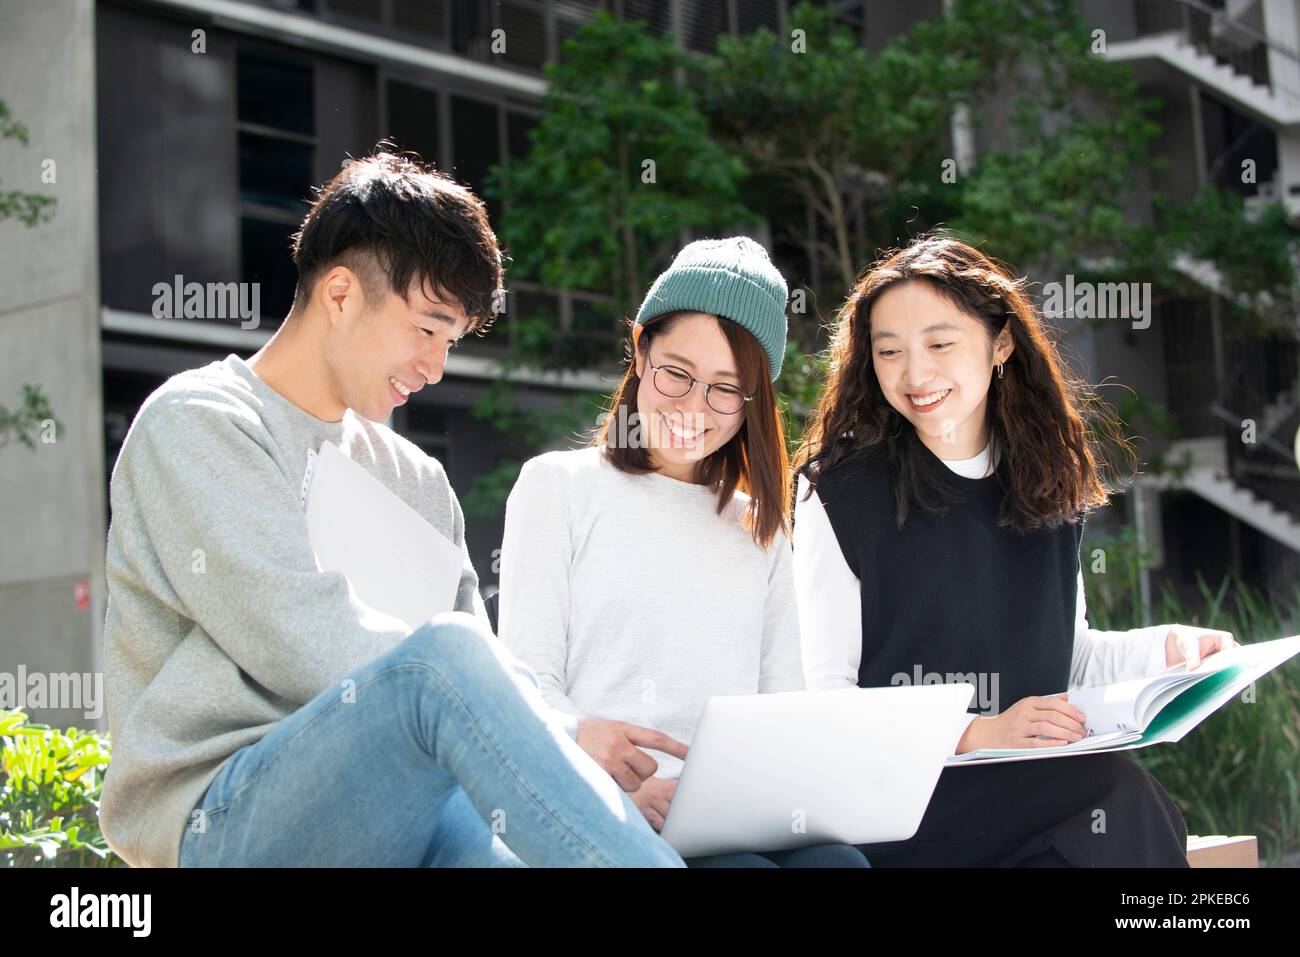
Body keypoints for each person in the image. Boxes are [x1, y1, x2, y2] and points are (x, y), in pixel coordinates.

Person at [99, 147, 684, 868]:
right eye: (427, 328)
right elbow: (304, 635)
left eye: (452, 340)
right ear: (340, 296)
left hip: (407, 803)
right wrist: (548, 729)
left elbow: (485, 676)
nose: (436, 366)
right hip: (223, 813)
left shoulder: (418, 478)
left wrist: (567, 730)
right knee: (444, 658)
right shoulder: (201, 423)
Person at [791, 235, 1235, 867]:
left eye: (941, 344)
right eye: (890, 352)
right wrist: (976, 733)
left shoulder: (1044, 480)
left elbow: (1068, 656)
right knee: (1121, 796)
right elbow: (825, 696)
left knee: (1111, 823)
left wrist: (1169, 649)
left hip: (1029, 798)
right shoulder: (836, 493)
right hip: (901, 805)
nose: (916, 375)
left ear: (1000, 343)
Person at [497, 237, 869, 868]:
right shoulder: (558, 486)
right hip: (600, 806)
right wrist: (618, 778)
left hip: (730, 812)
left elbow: (784, 713)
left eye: (726, 389)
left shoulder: (762, 529)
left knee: (842, 865)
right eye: (677, 372)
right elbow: (528, 690)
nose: (695, 408)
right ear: (641, 349)